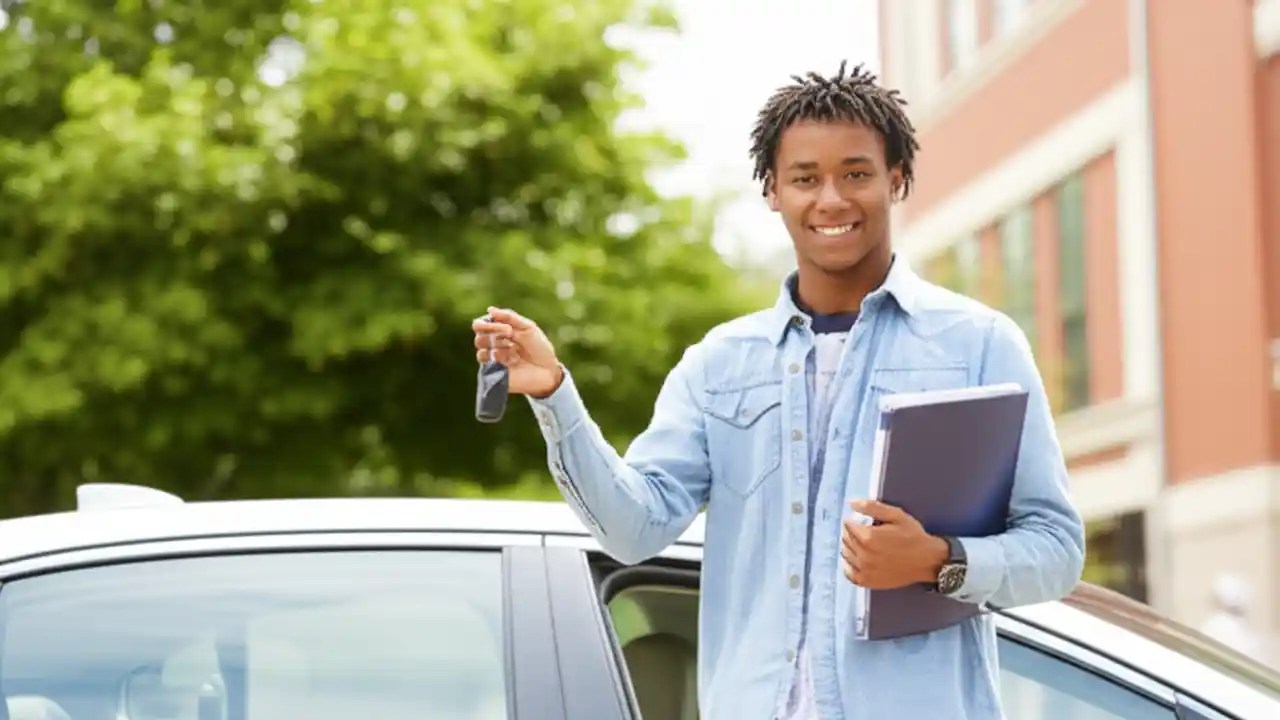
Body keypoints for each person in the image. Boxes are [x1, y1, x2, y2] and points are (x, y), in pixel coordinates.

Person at [472, 61, 1085, 720]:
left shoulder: (979, 346)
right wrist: (556, 395)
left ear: (897, 180)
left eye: (856, 173)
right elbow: (633, 529)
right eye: (804, 178)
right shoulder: (719, 365)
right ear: (772, 191)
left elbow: (1055, 550)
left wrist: (940, 560)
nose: (831, 200)